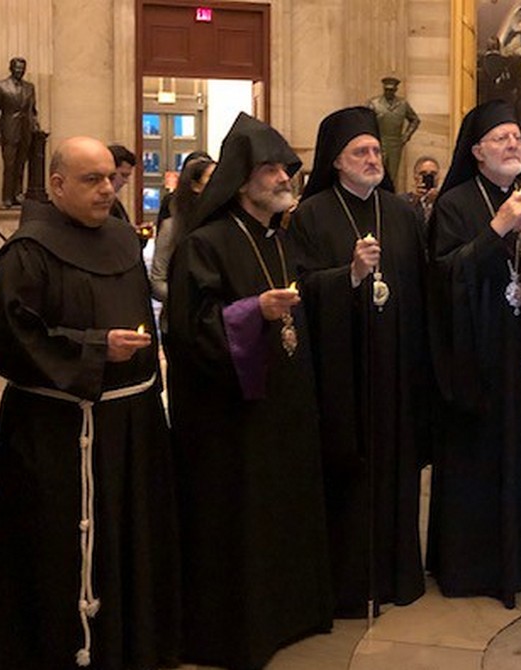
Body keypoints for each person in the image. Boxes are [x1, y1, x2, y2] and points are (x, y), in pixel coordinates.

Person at [0, 136, 179, 668]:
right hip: (57, 432)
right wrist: (96, 348)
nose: (107, 189)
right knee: (60, 551)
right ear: (57, 185)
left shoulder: (121, 239)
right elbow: (10, 337)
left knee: (127, 541)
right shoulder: (27, 252)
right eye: (92, 180)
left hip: (130, 424)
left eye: (110, 178)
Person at [165, 112, 332, 668]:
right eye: (271, 170)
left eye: (287, 169)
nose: (284, 178)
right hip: (229, 418)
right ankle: (240, 630)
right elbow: (190, 329)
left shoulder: (278, 240)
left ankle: (289, 613)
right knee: (240, 519)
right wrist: (252, 311)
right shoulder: (204, 245)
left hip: (284, 404)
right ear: (241, 181)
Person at [426, 99, 521, 608]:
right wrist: (495, 231)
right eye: (501, 138)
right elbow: (444, 278)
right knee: (483, 459)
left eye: (517, 137)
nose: (514, 144)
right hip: (480, 355)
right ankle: (478, 568)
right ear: (476, 151)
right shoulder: (454, 205)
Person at [287, 106, 429, 619]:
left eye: (375, 150)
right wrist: (347, 275)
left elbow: (423, 288)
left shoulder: (402, 213)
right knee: (349, 477)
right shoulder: (310, 215)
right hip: (342, 371)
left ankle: (399, 576)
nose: (372, 159)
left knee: (397, 471)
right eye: (360, 152)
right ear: (336, 161)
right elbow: (299, 288)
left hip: (397, 366)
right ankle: (349, 585)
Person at [149, 155, 215, 339]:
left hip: (219, 325)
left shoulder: (224, 226)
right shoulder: (172, 228)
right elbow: (157, 282)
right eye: (211, 178)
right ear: (195, 186)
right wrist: (190, 300)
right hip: (181, 323)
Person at [0, 57, 39, 208]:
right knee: (9, 165)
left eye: (22, 68)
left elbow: (33, 110)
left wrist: (35, 125)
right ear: (11, 68)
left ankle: (18, 194)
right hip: (9, 129)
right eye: (17, 68)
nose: (20, 71)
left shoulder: (30, 87)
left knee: (21, 164)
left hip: (26, 130)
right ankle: (7, 197)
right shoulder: (0, 86)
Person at [366, 76, 420, 182]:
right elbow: (366, 122)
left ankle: (390, 191)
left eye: (391, 90)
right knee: (376, 171)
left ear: (395, 90)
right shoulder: (374, 103)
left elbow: (415, 120)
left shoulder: (403, 104)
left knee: (392, 175)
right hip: (379, 142)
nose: (388, 92)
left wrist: (406, 136)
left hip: (395, 143)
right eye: (386, 90)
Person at [403, 154, 441, 224]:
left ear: (438, 177)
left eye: (433, 174)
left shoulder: (444, 202)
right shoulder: (403, 201)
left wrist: (437, 202)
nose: (428, 177)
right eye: (423, 174)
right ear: (415, 176)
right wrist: (415, 201)